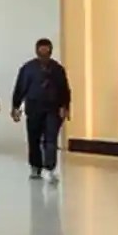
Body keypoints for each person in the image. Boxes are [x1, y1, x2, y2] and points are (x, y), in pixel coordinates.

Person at [11, 38, 71, 183]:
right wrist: (16, 106)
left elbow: (65, 89)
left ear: (50, 51)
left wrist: (66, 107)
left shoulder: (57, 69)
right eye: (41, 49)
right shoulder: (28, 69)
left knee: (50, 140)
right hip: (34, 108)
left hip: (53, 109)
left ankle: (50, 168)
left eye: (46, 49)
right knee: (34, 140)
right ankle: (35, 166)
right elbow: (20, 88)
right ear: (37, 50)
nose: (44, 52)